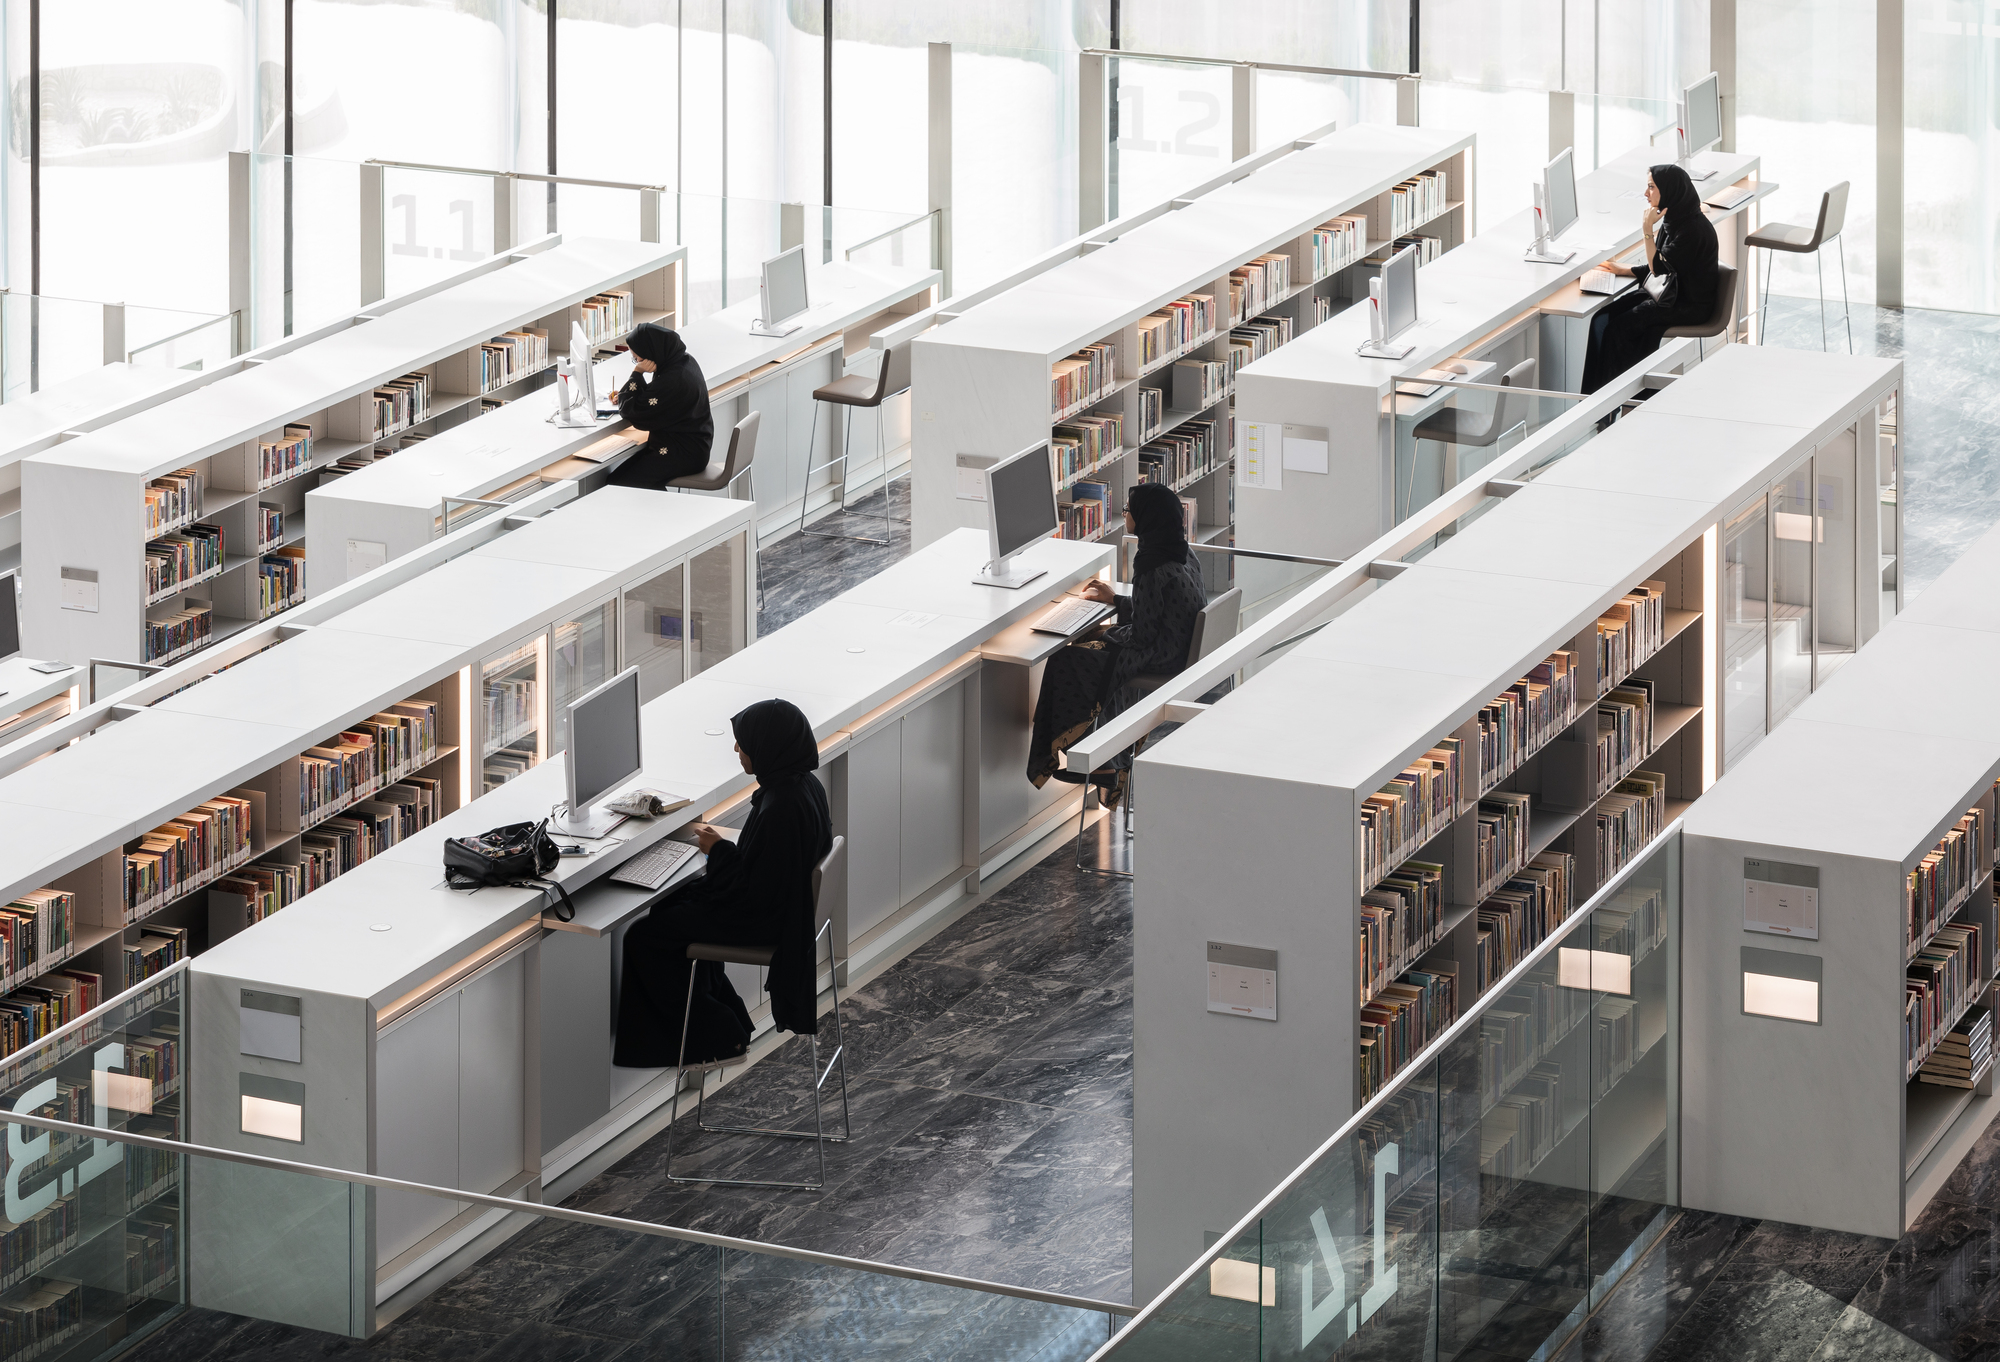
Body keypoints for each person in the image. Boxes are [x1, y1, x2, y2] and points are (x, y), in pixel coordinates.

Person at [613, 698, 832, 1069]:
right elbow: (767, 875)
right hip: (786, 915)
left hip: (766, 922)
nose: (736, 748)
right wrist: (722, 853)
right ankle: (727, 1022)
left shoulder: (782, 807)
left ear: (767, 746)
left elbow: (754, 897)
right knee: (670, 905)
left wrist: (719, 851)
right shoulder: (801, 785)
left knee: (643, 937)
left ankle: (717, 1035)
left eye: (743, 742)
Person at [1025, 479, 1207, 805]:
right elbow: (1159, 612)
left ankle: (1076, 758)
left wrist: (1104, 632)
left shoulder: (1151, 564)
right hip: (1180, 648)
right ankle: (1100, 758)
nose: (1125, 514)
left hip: (1160, 655)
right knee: (1086, 643)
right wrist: (1117, 603)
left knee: (1066, 659)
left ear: (1145, 517)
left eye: (1128, 510)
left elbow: (1141, 636)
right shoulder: (1180, 551)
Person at [1579, 164, 1719, 394]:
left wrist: (1647, 229)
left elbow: (1658, 267)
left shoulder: (1692, 230)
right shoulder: (1675, 219)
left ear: (1669, 190)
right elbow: (1665, 266)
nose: (1646, 194)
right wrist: (1621, 269)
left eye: (1651, 187)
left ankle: (1619, 399)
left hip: (1689, 304)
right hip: (1670, 293)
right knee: (1602, 318)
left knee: (1619, 329)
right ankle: (1592, 398)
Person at [606, 322, 717, 490]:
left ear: (652, 352)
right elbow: (656, 397)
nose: (638, 362)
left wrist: (637, 373)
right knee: (624, 477)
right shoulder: (681, 361)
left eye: (638, 358)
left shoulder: (673, 380)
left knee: (618, 483)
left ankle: (662, 514)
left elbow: (632, 411)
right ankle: (660, 513)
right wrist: (628, 392)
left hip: (682, 453)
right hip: (692, 446)